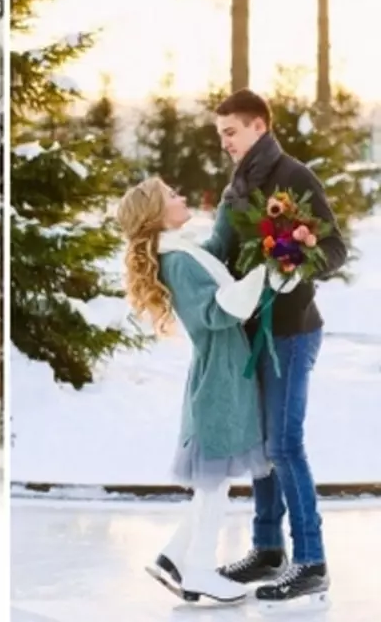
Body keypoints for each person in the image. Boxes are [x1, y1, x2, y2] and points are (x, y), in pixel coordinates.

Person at [205, 89, 345, 602]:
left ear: (259, 126)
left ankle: (311, 560)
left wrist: (298, 259)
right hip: (251, 334)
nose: (224, 143)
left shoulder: (295, 177)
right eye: (220, 134)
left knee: (284, 445)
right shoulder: (238, 185)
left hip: (291, 332)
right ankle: (267, 551)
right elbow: (220, 251)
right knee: (260, 449)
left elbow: (335, 249)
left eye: (231, 133)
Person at [117, 177, 272, 603]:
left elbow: (219, 247)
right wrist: (268, 269)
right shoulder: (179, 261)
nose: (181, 195)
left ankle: (173, 557)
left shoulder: (182, 250)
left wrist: (229, 199)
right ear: (155, 214)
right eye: (172, 195)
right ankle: (200, 570)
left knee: (213, 479)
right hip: (219, 374)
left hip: (221, 368)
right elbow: (215, 312)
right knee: (213, 481)